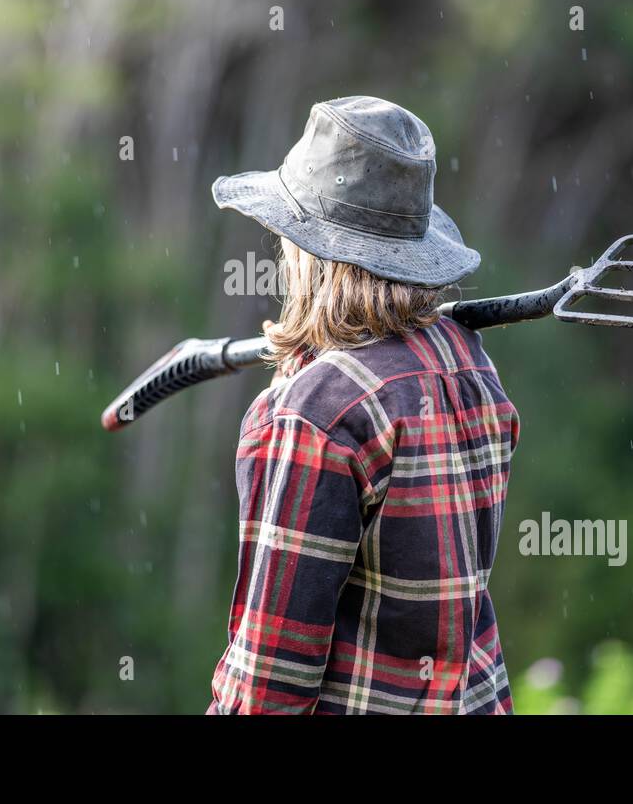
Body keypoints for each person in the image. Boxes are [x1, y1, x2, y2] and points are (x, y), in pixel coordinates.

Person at [205, 96, 520, 714]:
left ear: (306, 249)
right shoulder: (468, 364)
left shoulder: (311, 417)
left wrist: (297, 394)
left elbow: (268, 681)